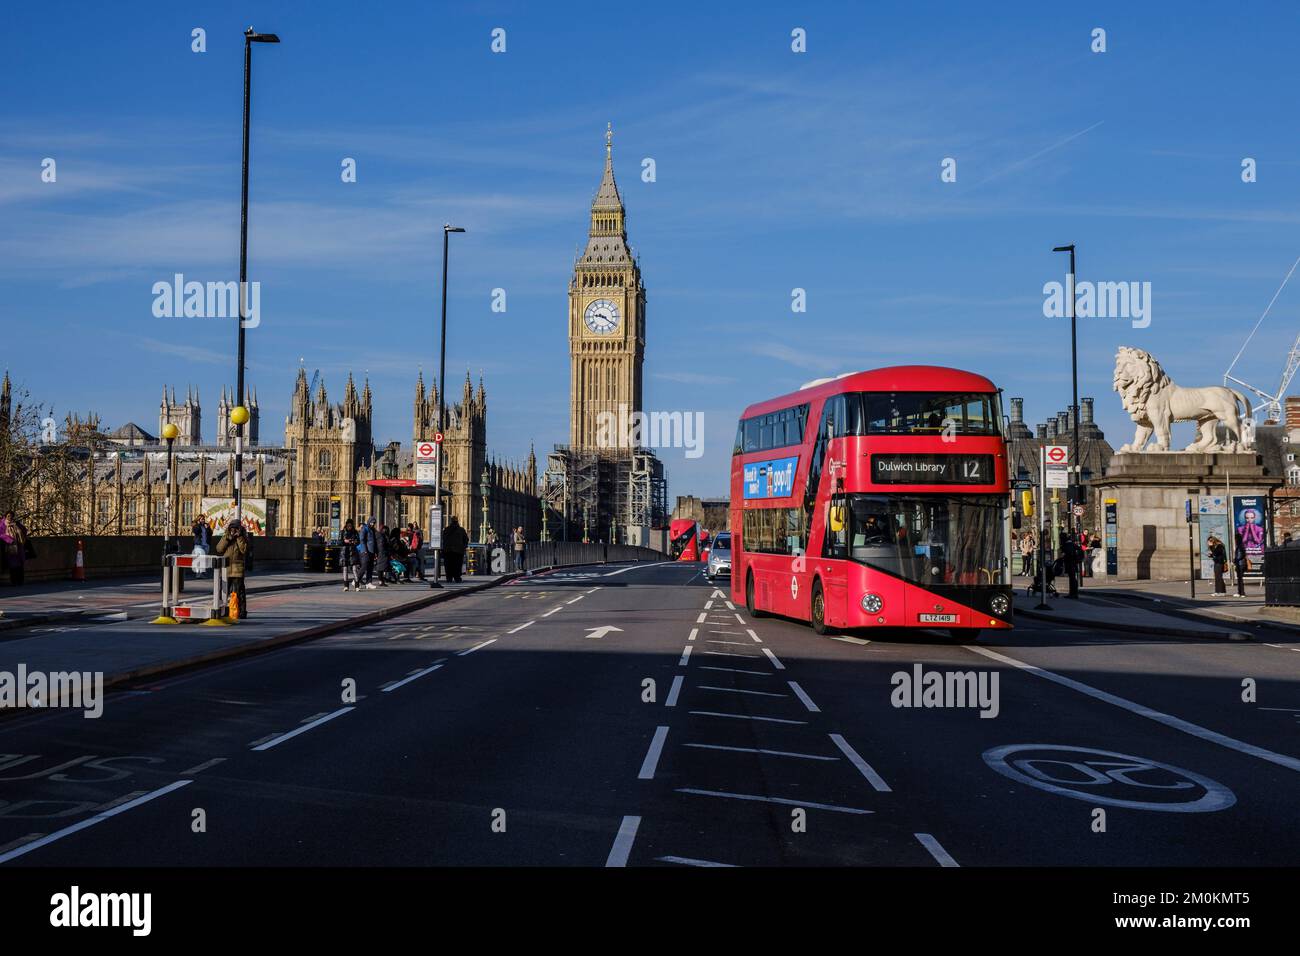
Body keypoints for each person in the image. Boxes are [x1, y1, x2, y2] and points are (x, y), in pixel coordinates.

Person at [215, 520, 249, 619]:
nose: (234, 530)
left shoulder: (243, 537)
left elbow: (244, 549)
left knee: (239, 593)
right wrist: (228, 537)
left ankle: (241, 612)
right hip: (226, 569)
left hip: (238, 570)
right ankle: (222, 611)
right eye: (232, 528)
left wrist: (239, 537)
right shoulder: (226, 536)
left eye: (236, 528)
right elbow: (219, 549)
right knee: (223, 592)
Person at [0, 511, 31, 587]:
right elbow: (1, 534)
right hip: (10, 547)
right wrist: (9, 539)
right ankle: (14, 581)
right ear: (5, 516)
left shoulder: (16, 523)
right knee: (12, 565)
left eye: (11, 516)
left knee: (20, 565)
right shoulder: (2, 524)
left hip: (19, 546)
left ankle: (20, 580)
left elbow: (24, 530)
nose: (10, 517)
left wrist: (19, 532)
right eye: (8, 516)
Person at [442, 516, 469, 583]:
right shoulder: (461, 530)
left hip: (448, 551)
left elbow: (443, 539)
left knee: (448, 565)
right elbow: (466, 539)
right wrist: (463, 547)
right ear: (457, 522)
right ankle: (457, 577)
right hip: (458, 551)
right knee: (457, 565)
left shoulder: (446, 529)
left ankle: (449, 578)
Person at [340, 518, 362, 591]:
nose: (349, 527)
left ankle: (357, 586)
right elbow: (339, 542)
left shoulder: (355, 532)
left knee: (354, 569)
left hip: (353, 552)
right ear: (346, 525)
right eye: (348, 525)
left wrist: (353, 542)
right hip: (344, 552)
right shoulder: (342, 532)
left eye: (351, 525)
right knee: (345, 569)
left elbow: (358, 541)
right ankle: (346, 586)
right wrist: (344, 541)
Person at [1061, 529, 1081, 599]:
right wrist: (1078, 560)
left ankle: (1073, 593)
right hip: (1074, 563)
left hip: (1069, 563)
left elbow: (1064, 554)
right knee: (1073, 578)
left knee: (1072, 578)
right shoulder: (1073, 545)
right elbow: (1080, 551)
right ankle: (1074, 593)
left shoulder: (1066, 545)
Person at [359, 517, 378, 589]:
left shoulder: (373, 530)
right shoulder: (364, 528)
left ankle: (368, 582)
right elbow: (362, 540)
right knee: (364, 567)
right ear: (369, 522)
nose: (373, 524)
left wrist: (375, 552)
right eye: (371, 522)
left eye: (374, 523)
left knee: (370, 567)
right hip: (366, 551)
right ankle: (356, 580)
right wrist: (364, 550)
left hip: (372, 551)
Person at [1233, 530, 1248, 597]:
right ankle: (1240, 592)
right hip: (1241, 563)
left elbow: (1239, 555)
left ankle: (1241, 592)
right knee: (1240, 578)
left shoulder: (1239, 547)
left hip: (1240, 564)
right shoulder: (1241, 546)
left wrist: (1235, 561)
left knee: (1240, 579)